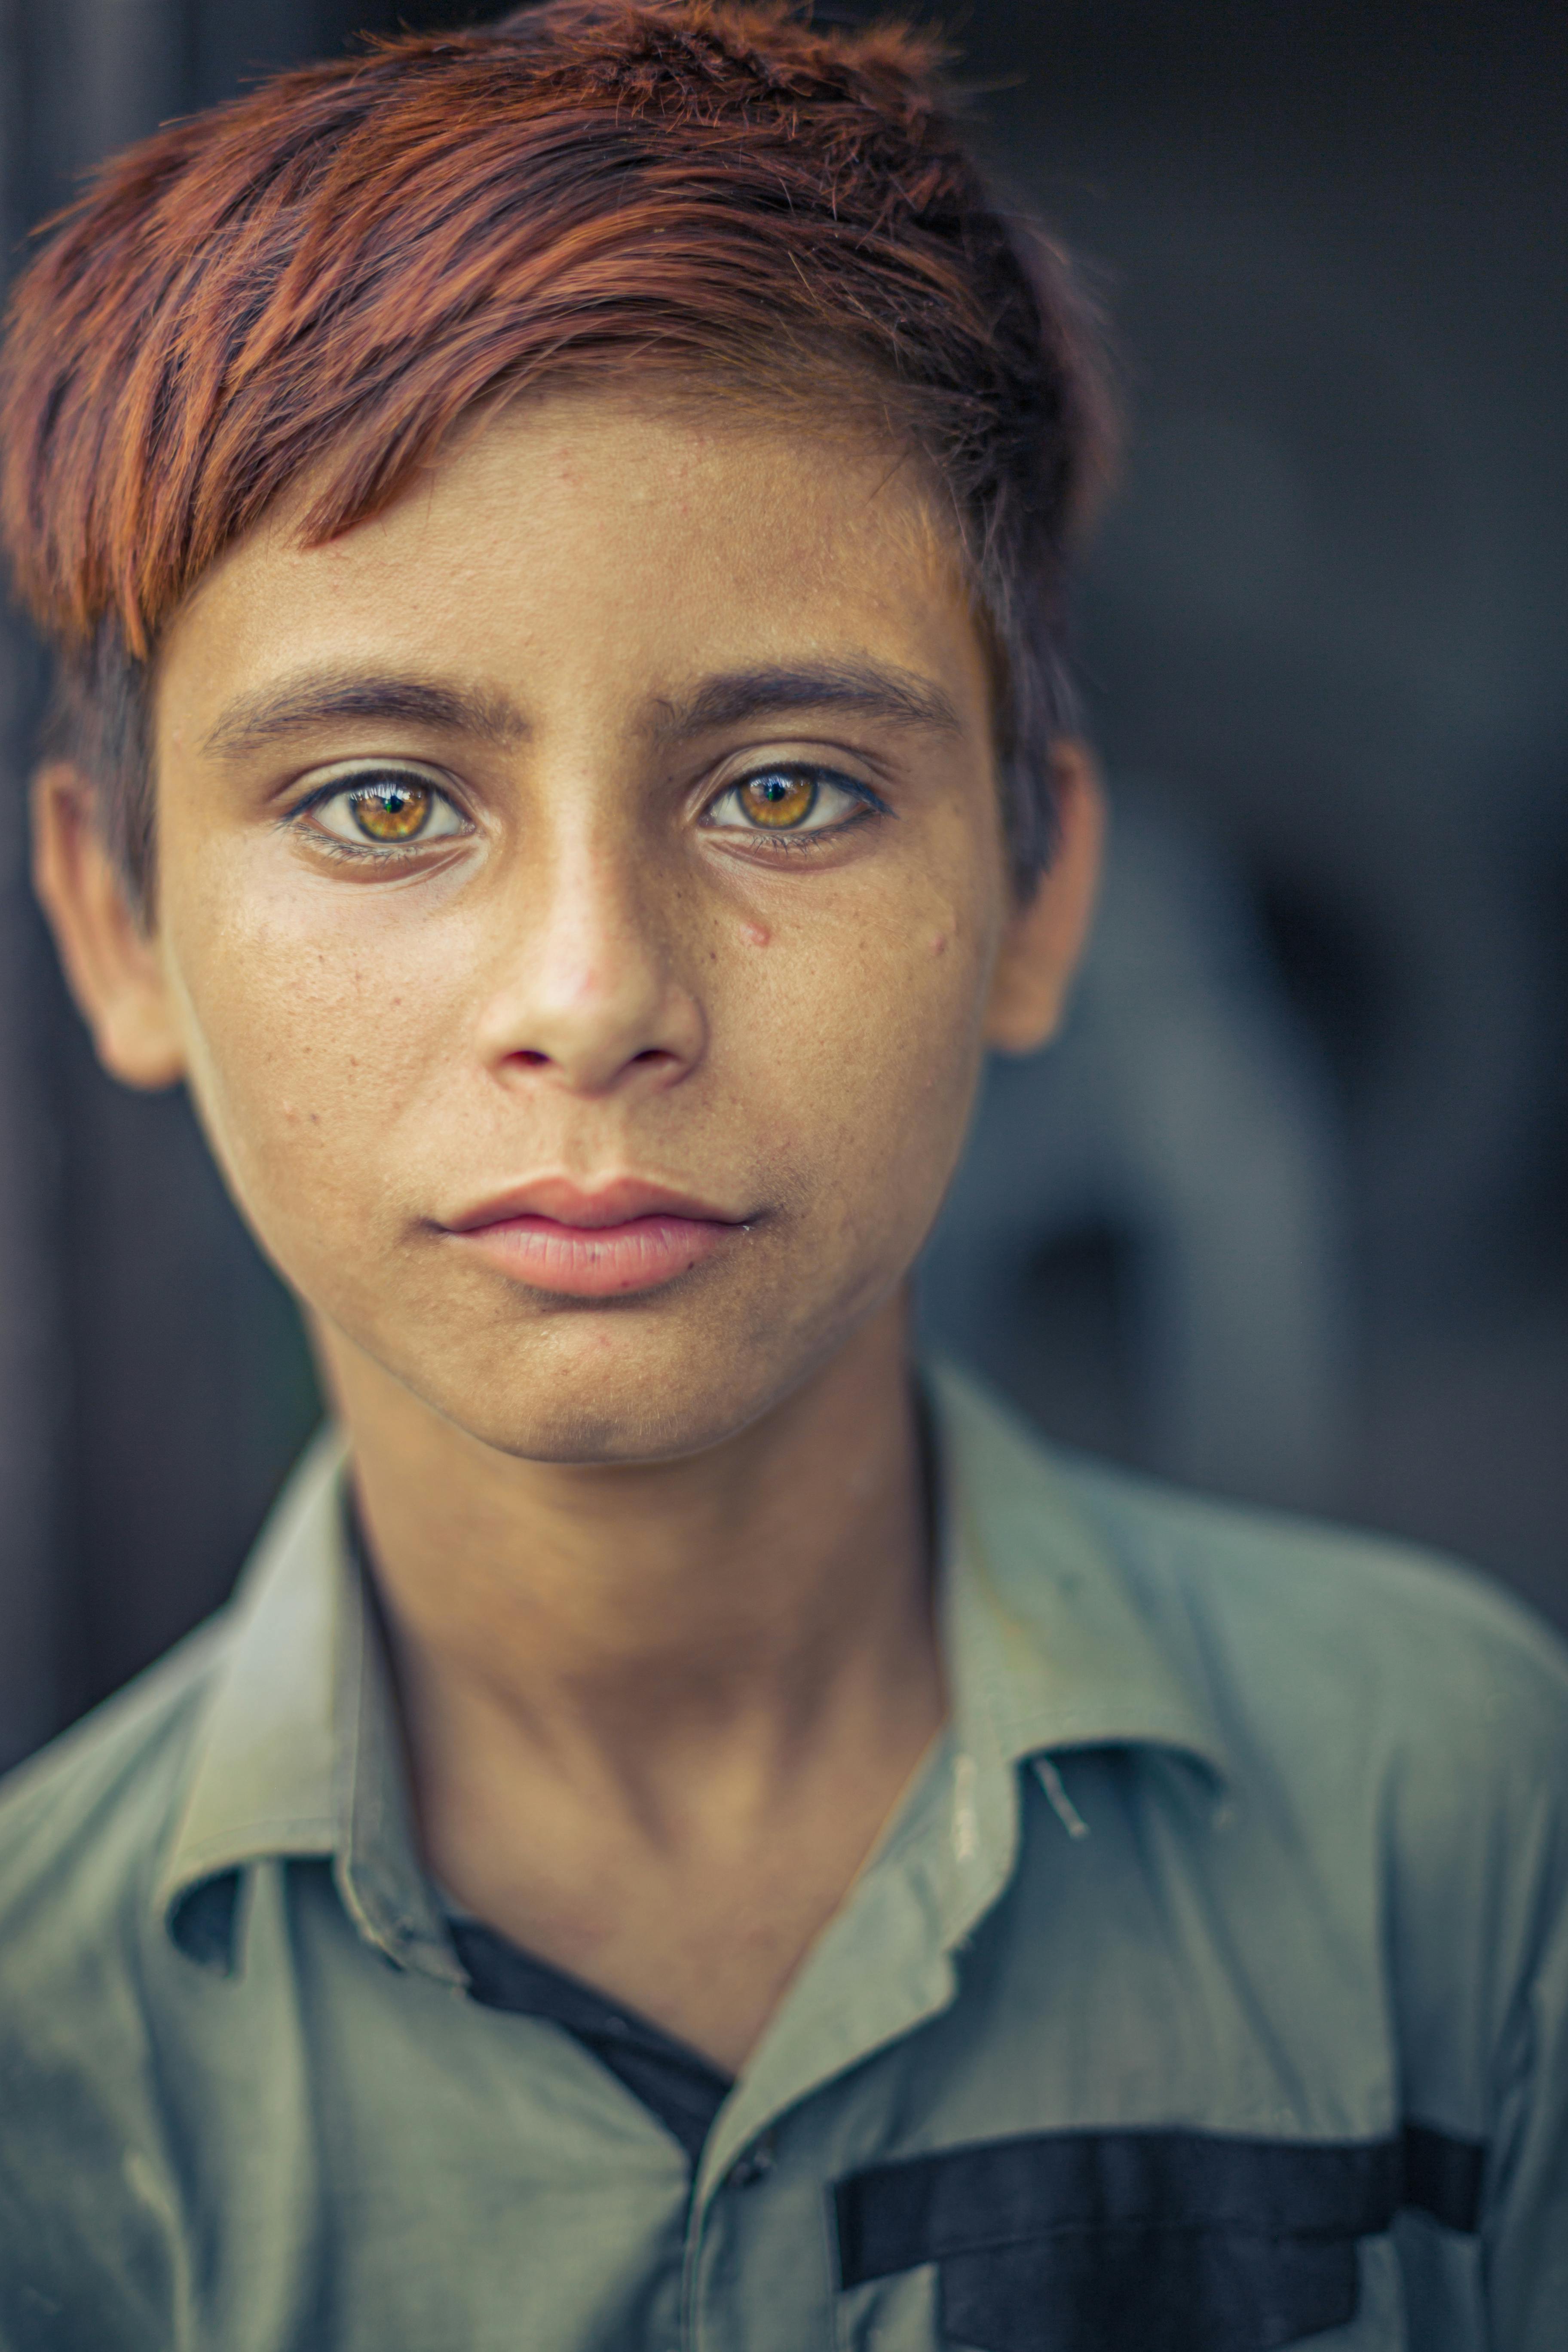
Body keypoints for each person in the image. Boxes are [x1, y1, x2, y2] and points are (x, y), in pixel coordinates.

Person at [0, 6, 1562, 2346]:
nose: (597, 992)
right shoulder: (44, 2062)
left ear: (1037, 891)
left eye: (791, 789)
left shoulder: (1460, 1821)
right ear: (116, 922)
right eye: (383, 803)